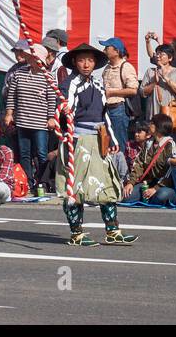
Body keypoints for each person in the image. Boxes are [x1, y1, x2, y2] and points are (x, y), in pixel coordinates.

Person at [56, 41, 136, 245]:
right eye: (82, 60)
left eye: (90, 60)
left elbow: (104, 114)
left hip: (98, 139)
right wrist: (66, 111)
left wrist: (112, 138)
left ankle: (113, 230)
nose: (86, 64)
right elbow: (68, 110)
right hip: (78, 140)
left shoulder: (99, 85)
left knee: (108, 183)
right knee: (76, 188)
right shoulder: (69, 84)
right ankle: (76, 234)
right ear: (74, 62)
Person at [2, 42, 57, 195]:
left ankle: (42, 181)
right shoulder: (19, 73)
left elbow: (52, 99)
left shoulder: (48, 77)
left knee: (41, 153)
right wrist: (9, 113)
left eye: (32, 56)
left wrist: (51, 117)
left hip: (40, 123)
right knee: (24, 153)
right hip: (22, 121)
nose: (29, 58)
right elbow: (11, 95)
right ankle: (27, 181)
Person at [122, 115, 175, 203]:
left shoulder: (170, 144)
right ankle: (148, 197)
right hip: (148, 183)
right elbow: (139, 164)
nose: (149, 125)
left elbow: (171, 170)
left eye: (152, 123)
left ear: (159, 126)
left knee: (161, 196)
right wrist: (131, 183)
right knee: (127, 197)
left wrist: (155, 188)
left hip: (164, 185)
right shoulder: (149, 143)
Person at [98, 37, 139, 148]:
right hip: (106, 109)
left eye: (107, 48)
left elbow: (133, 90)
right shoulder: (107, 68)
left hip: (119, 109)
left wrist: (111, 93)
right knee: (107, 142)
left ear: (116, 51)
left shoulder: (126, 67)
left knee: (119, 142)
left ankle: (122, 164)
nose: (104, 51)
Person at [139, 40, 176, 125]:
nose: (158, 56)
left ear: (170, 58)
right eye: (157, 54)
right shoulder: (150, 71)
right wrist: (154, 83)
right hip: (153, 115)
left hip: (171, 116)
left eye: (162, 54)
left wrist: (166, 78)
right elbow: (142, 92)